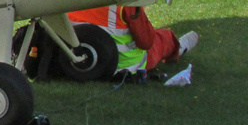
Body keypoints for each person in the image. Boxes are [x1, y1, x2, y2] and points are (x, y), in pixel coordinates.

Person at [68, 5, 197, 77]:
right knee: (163, 37)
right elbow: (146, 41)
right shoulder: (125, 2)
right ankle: (177, 50)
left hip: (73, 60)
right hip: (122, 64)